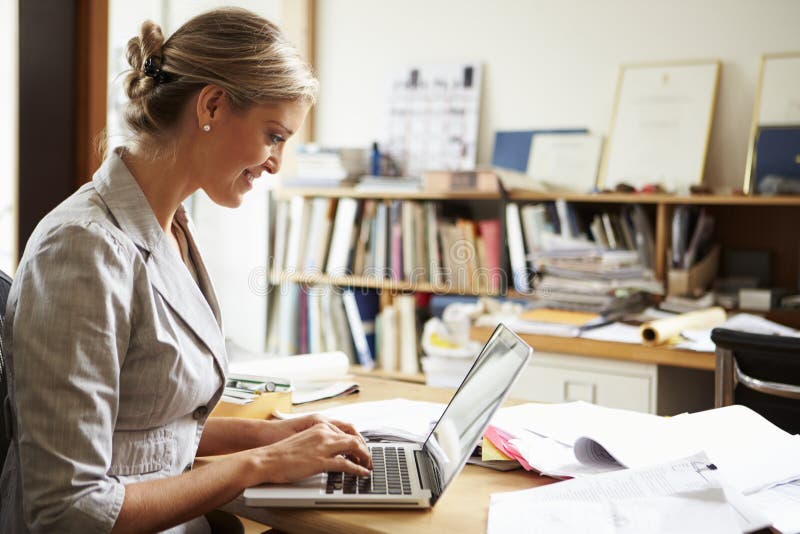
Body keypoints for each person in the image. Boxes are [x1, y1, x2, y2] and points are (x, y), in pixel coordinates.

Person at [0, 8, 371, 533]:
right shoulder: (82, 251)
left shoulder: (171, 227)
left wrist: (275, 436)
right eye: (273, 135)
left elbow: (151, 426)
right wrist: (261, 464)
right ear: (213, 105)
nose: (276, 163)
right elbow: (69, 510)